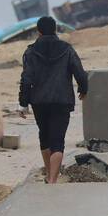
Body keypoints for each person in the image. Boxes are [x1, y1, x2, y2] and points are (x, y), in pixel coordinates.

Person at [18, 15, 88, 184]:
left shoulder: (31, 51)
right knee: (58, 140)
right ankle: (53, 180)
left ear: (39, 31)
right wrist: (83, 89)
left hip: (39, 101)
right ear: (55, 29)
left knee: (44, 136)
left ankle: (49, 174)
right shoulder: (67, 49)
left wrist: (23, 103)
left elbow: (26, 78)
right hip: (61, 100)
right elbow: (79, 71)